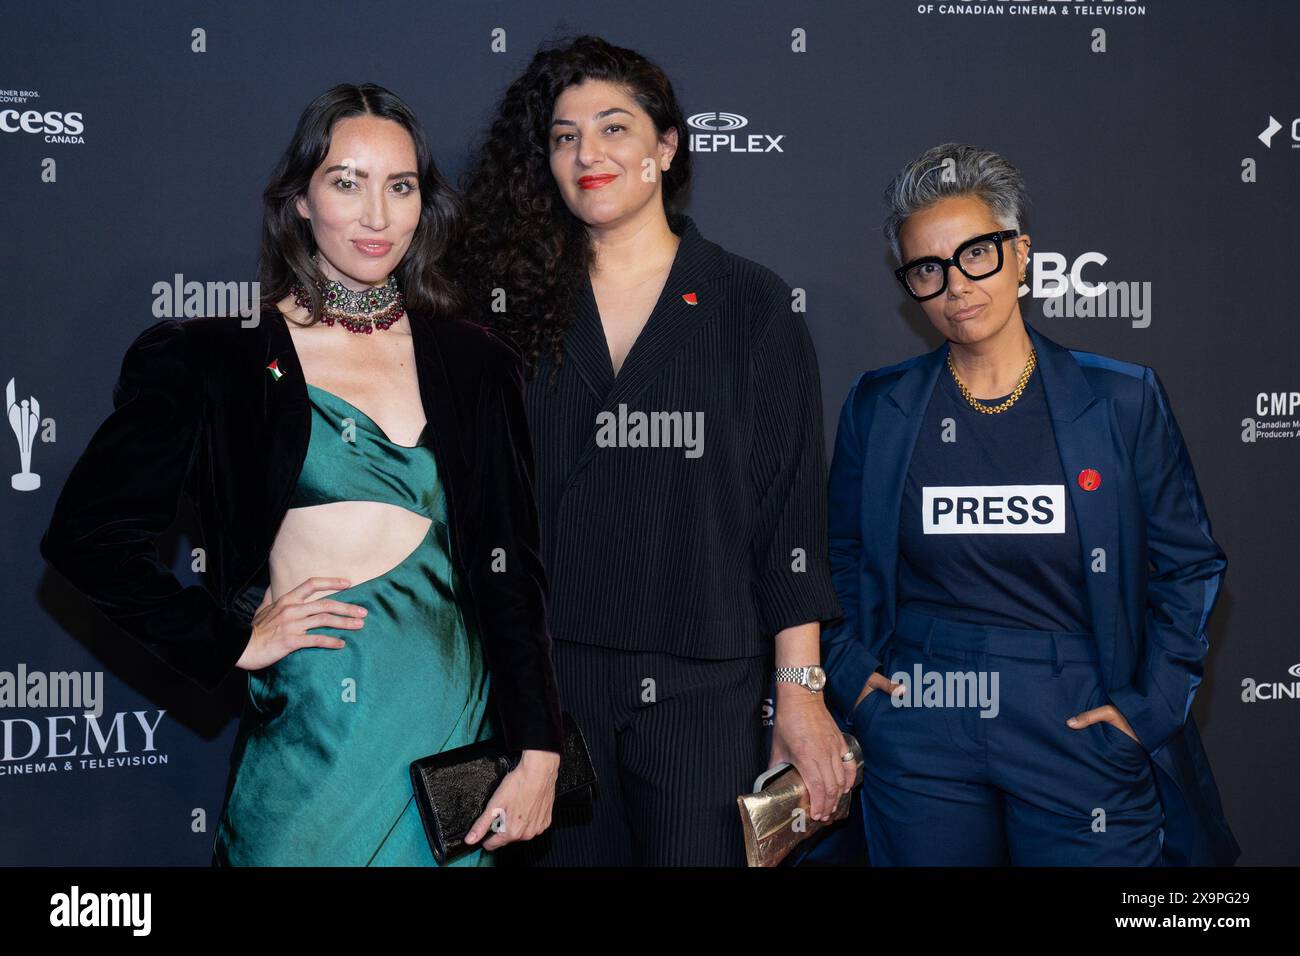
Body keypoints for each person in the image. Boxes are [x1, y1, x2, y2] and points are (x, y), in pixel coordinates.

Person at [39, 83, 563, 866]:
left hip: (455, 740)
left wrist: (539, 748)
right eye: (346, 182)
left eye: (400, 186)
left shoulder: (475, 364)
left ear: (426, 205)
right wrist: (224, 640)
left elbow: (512, 575)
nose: (376, 215)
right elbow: (87, 538)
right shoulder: (215, 359)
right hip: (315, 737)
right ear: (299, 202)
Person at [454, 35, 849, 866]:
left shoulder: (752, 303)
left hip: (710, 681)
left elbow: (790, 516)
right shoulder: (512, 303)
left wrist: (801, 694)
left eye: (613, 128)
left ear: (665, 148)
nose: (587, 153)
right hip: (555, 691)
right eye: (565, 136)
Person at [820, 143, 1240, 866]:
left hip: (1074, 713)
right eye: (928, 269)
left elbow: (1190, 566)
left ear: (1021, 255)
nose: (956, 285)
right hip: (922, 712)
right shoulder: (879, 404)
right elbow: (839, 555)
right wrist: (857, 680)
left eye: (976, 254)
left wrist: (1146, 711)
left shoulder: (1120, 399)